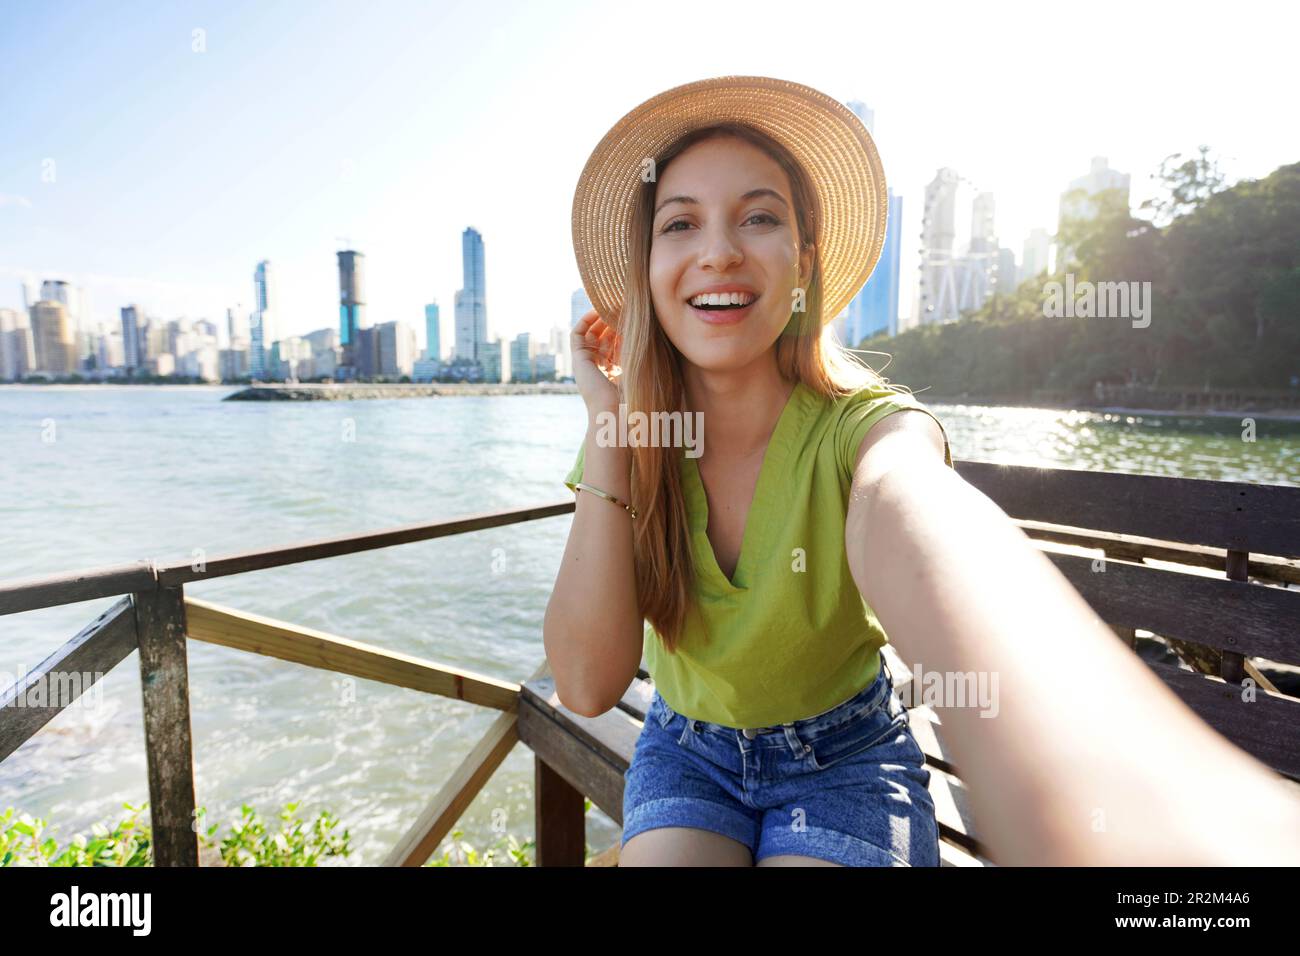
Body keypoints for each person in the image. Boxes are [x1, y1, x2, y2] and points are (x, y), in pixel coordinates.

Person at [544, 76, 1300, 867]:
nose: (719, 250)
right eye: (681, 223)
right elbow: (589, 684)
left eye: (759, 216)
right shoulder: (632, 436)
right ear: (648, 272)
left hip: (845, 759)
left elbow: (925, 523)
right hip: (686, 751)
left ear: (803, 264)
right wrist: (607, 427)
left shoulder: (867, 428)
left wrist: (1109, 773)